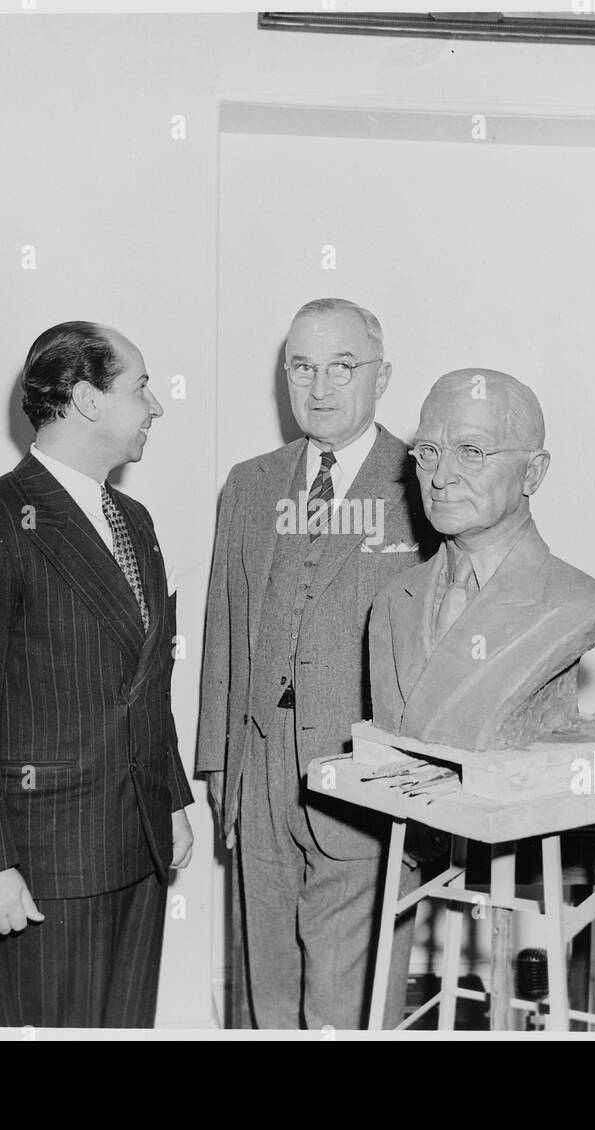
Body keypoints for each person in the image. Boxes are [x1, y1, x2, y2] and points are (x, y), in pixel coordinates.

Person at [0, 321, 194, 1028]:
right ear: (87, 399)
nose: (157, 406)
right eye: (140, 387)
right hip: (47, 867)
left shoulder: (134, 519)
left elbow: (145, 677)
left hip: (139, 845)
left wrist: (171, 801)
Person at [197, 298, 434, 1029]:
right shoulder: (249, 484)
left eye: (342, 366)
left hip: (367, 777)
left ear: (382, 375)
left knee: (347, 1000)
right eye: (302, 367)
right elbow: (223, 629)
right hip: (261, 769)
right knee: (266, 990)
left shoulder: (425, 483)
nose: (320, 386)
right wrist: (217, 767)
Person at [370, 369, 595, 751]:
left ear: (533, 473)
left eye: (471, 453)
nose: (441, 477)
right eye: (429, 452)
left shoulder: (582, 605)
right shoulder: (393, 600)